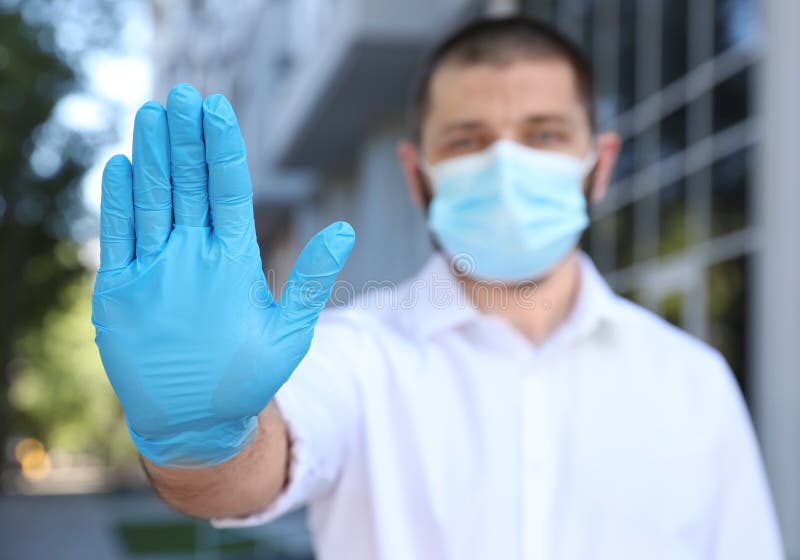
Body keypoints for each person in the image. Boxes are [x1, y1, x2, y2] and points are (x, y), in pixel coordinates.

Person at [91, 15, 783, 560]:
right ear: (416, 174)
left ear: (599, 165)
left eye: (543, 135)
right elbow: (249, 472)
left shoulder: (695, 383)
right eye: (467, 140)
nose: (507, 165)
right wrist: (200, 436)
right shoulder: (356, 357)